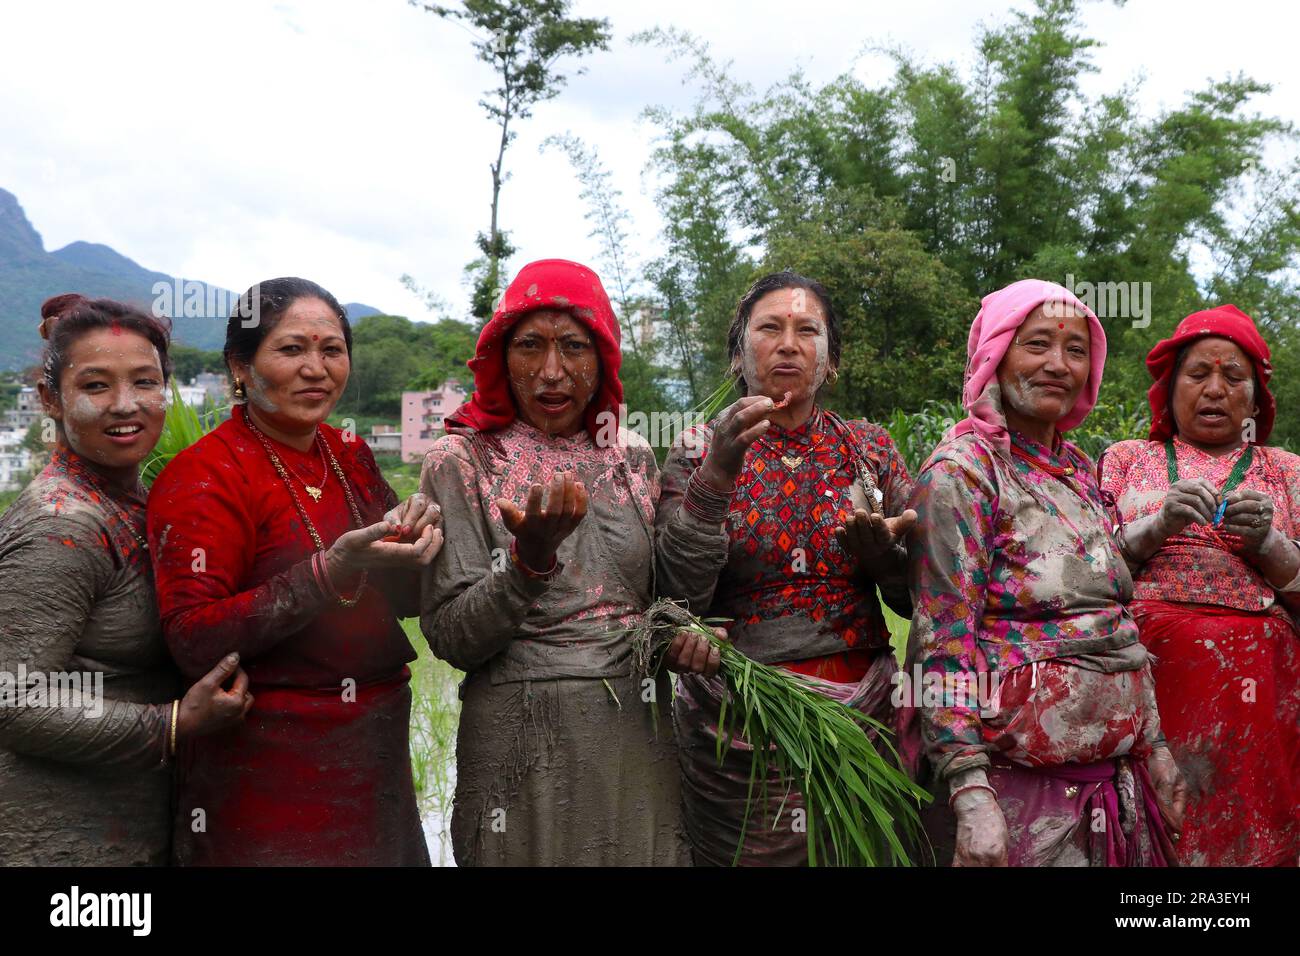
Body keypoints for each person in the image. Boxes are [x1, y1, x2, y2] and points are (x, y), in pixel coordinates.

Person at [147, 277, 440, 865]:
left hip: (374, 749)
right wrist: (326, 573)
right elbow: (191, 637)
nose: (316, 368)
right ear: (240, 365)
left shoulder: (345, 452)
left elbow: (399, 601)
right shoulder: (205, 476)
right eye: (291, 350)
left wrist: (417, 538)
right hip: (268, 764)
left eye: (331, 350)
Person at [420, 258, 701, 866]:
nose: (552, 371)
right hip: (518, 734)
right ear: (500, 355)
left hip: (635, 731)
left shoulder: (631, 457)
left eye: (573, 346)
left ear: (602, 357)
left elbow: (661, 601)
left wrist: (680, 637)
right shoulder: (462, 460)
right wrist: (529, 563)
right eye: (530, 346)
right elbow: (450, 635)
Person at [902, 278, 1185, 867]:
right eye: (1036, 345)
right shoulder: (964, 473)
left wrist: (1153, 745)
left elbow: (1115, 618)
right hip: (1018, 793)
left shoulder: (1080, 471)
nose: (1058, 364)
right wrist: (970, 791)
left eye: (1075, 350)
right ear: (995, 354)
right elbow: (942, 640)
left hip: (1113, 784)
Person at [654, 270, 916, 865]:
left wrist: (883, 559)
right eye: (769, 328)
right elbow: (678, 593)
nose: (789, 344)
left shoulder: (870, 449)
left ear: (832, 359)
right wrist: (719, 471)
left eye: (808, 330)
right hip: (740, 719)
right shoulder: (698, 448)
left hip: (862, 712)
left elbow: (916, 600)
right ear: (738, 354)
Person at [0, 294, 250, 866]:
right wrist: (173, 723)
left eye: (145, 382)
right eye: (95, 386)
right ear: (50, 400)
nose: (125, 405)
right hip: (61, 844)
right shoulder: (61, 525)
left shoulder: (137, 502)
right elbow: (10, 698)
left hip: (131, 828)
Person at [1100, 304, 1300, 866]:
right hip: (1146, 671)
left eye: (1234, 378)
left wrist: (1270, 545)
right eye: (1198, 375)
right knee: (1155, 821)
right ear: (1169, 390)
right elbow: (1091, 571)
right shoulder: (1126, 460)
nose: (1215, 390)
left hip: (1259, 686)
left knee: (1249, 831)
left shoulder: (1286, 470)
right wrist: (1158, 524)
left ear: (1256, 400)